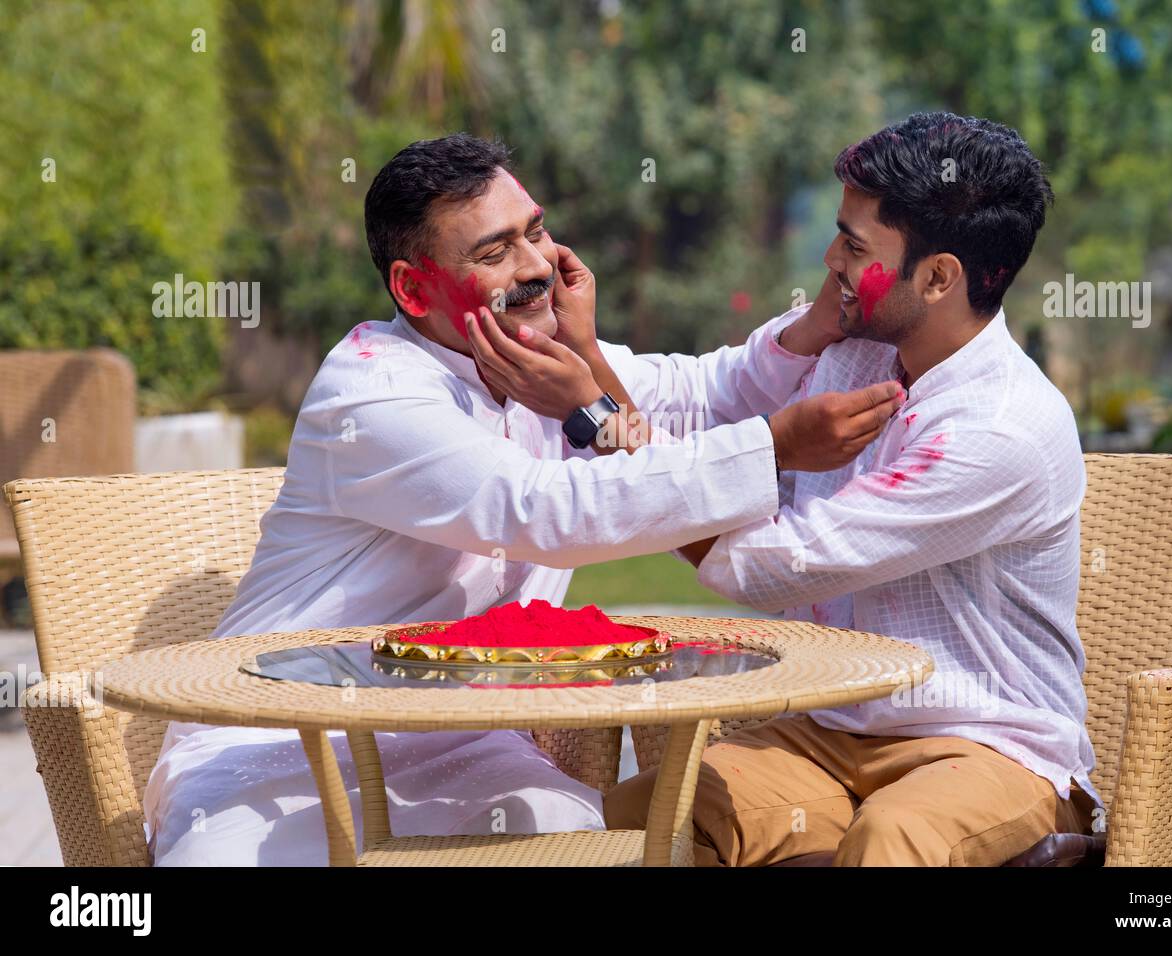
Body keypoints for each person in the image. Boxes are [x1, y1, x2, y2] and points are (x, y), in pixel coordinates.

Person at [142, 133, 902, 865]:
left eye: (536, 233)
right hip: (288, 753)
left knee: (579, 842)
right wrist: (769, 447)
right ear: (411, 287)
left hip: (465, 746)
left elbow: (702, 393)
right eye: (494, 252)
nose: (536, 266)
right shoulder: (371, 391)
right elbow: (542, 512)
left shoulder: (540, 362)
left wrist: (818, 321)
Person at [604, 112, 1104, 867]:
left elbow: (781, 563)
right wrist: (585, 367)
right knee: (635, 818)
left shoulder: (999, 428)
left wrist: (627, 459)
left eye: (855, 245)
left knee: (892, 841)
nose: (831, 258)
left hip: (987, 745)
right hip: (829, 733)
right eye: (839, 233)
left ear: (938, 277)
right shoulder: (856, 350)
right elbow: (714, 400)